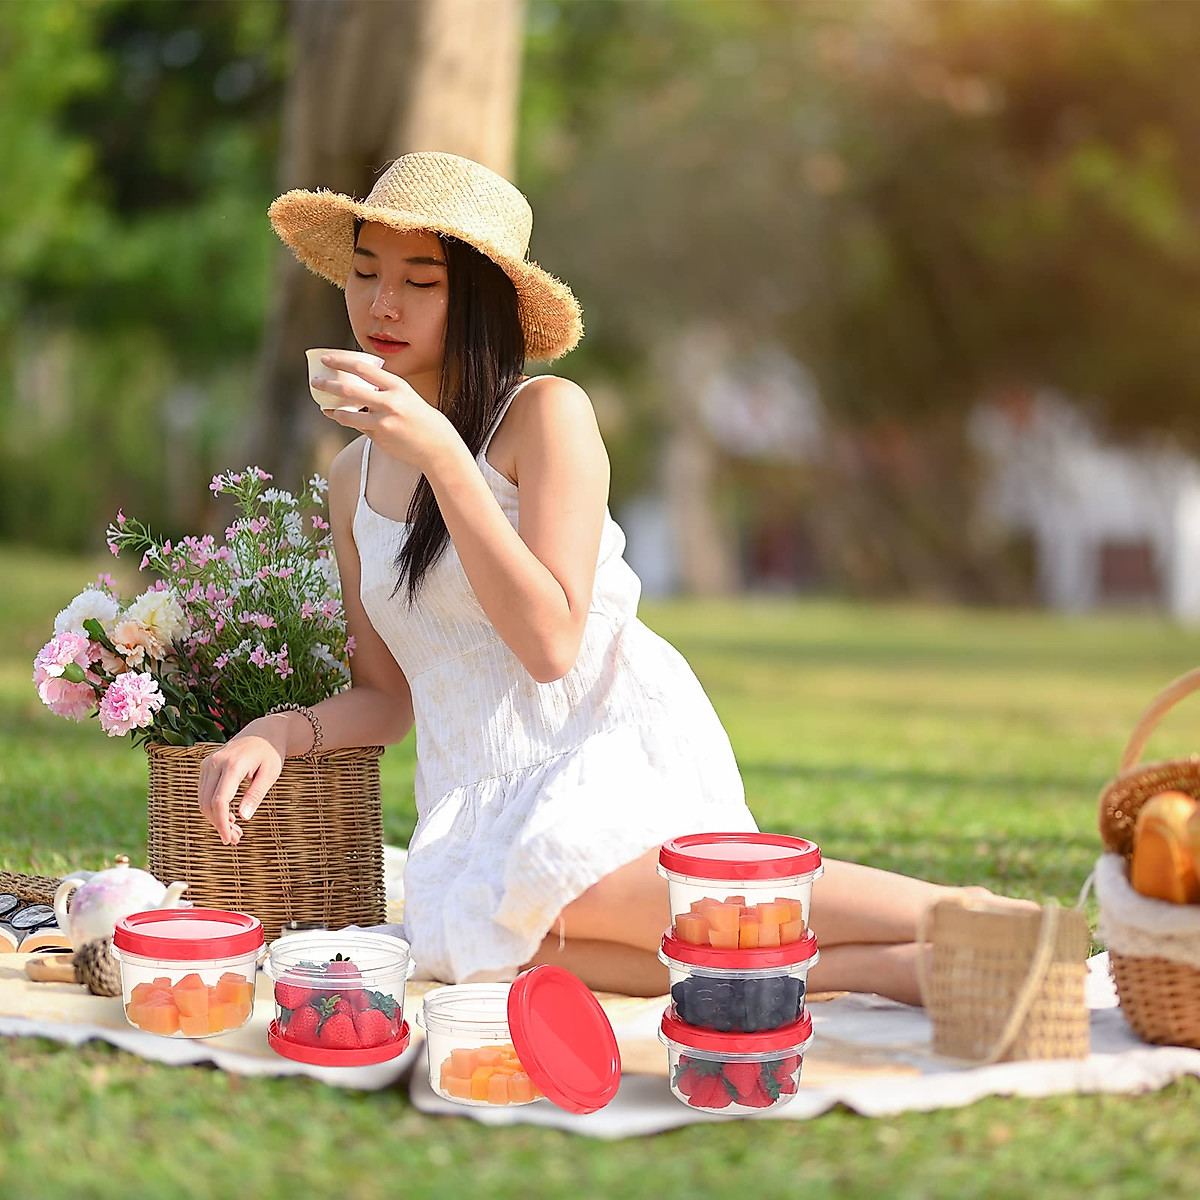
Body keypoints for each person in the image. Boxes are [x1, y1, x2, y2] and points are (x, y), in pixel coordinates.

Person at [197, 151, 1025, 1002]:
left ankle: (962, 914)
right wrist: (279, 732)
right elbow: (388, 697)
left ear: (482, 299)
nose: (381, 304)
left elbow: (550, 644)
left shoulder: (546, 418)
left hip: (597, 751)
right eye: (365, 272)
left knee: (579, 891)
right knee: (496, 951)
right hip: (477, 795)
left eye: (422, 281)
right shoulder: (352, 477)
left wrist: (446, 456)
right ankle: (898, 971)